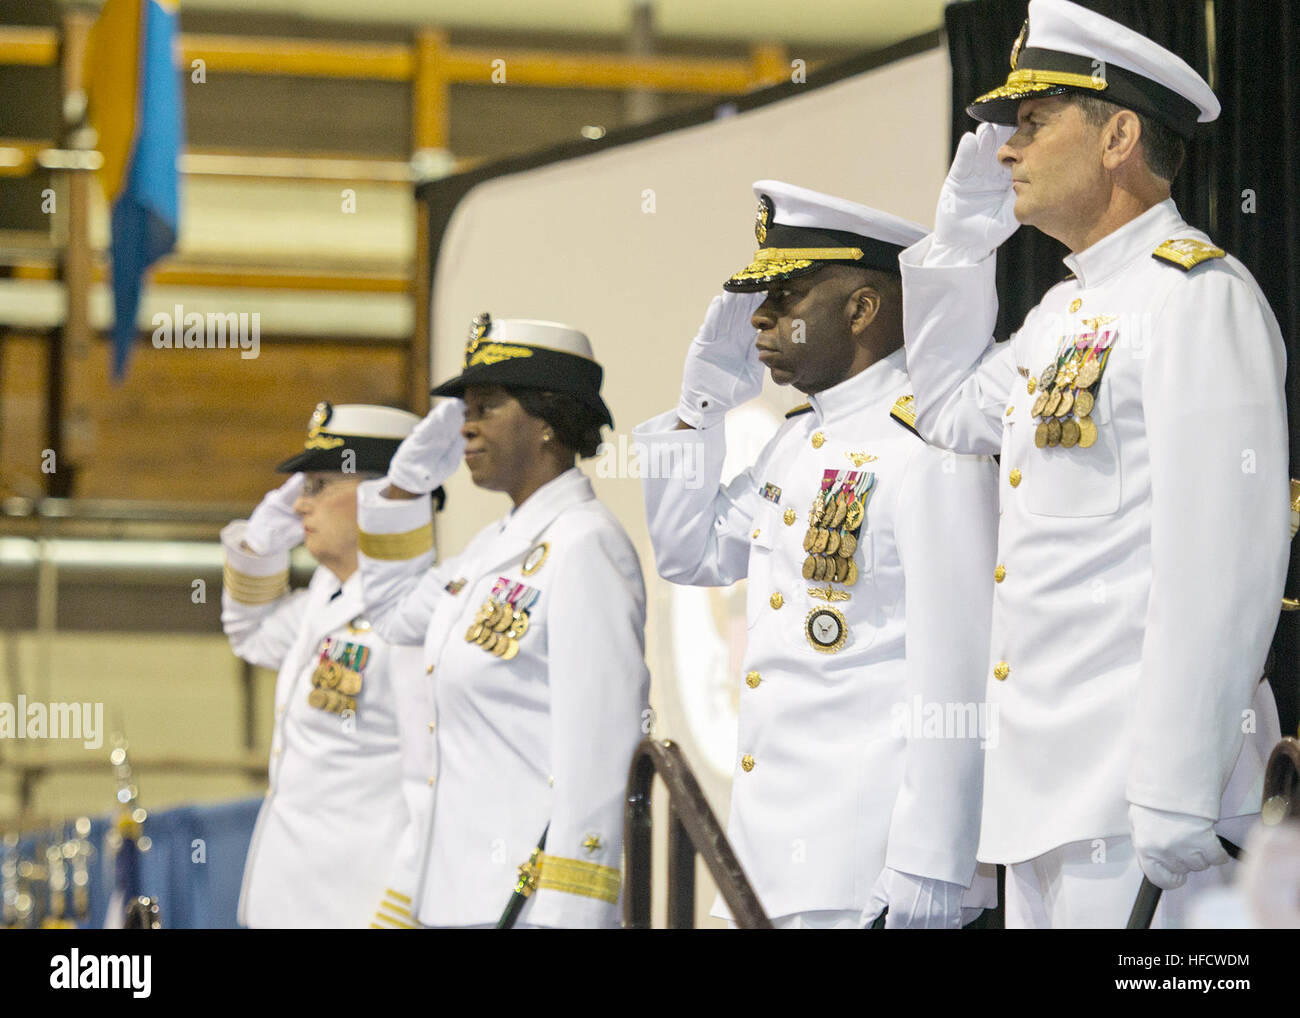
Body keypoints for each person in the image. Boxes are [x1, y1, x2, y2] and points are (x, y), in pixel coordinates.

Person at [899, 0, 1288, 928]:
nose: (1007, 149)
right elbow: (948, 409)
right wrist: (961, 235)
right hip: (1040, 796)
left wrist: (1178, 778)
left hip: (1147, 801)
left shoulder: (1198, 298)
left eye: (1033, 124)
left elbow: (1223, 561)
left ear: (1118, 134)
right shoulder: (1061, 318)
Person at [635, 181, 999, 928]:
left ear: (862, 309)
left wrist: (932, 864)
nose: (760, 319)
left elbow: (958, 664)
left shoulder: (931, 439)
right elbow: (685, 552)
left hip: (870, 865)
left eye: (787, 296)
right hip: (772, 862)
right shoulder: (796, 440)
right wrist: (701, 400)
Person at [355, 315, 650, 929]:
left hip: (530, 907)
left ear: (547, 420)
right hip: (456, 901)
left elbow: (599, 753)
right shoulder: (490, 549)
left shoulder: (584, 546)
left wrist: (572, 914)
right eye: (466, 409)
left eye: (487, 407)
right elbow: (390, 614)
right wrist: (404, 490)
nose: (466, 426)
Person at [221, 402, 431, 928]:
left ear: (381, 496)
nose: (298, 506)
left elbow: (432, 787)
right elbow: (249, 632)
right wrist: (260, 541)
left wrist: (398, 913)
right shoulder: (325, 599)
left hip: (358, 911)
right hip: (288, 903)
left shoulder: (415, 617)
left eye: (316, 486)